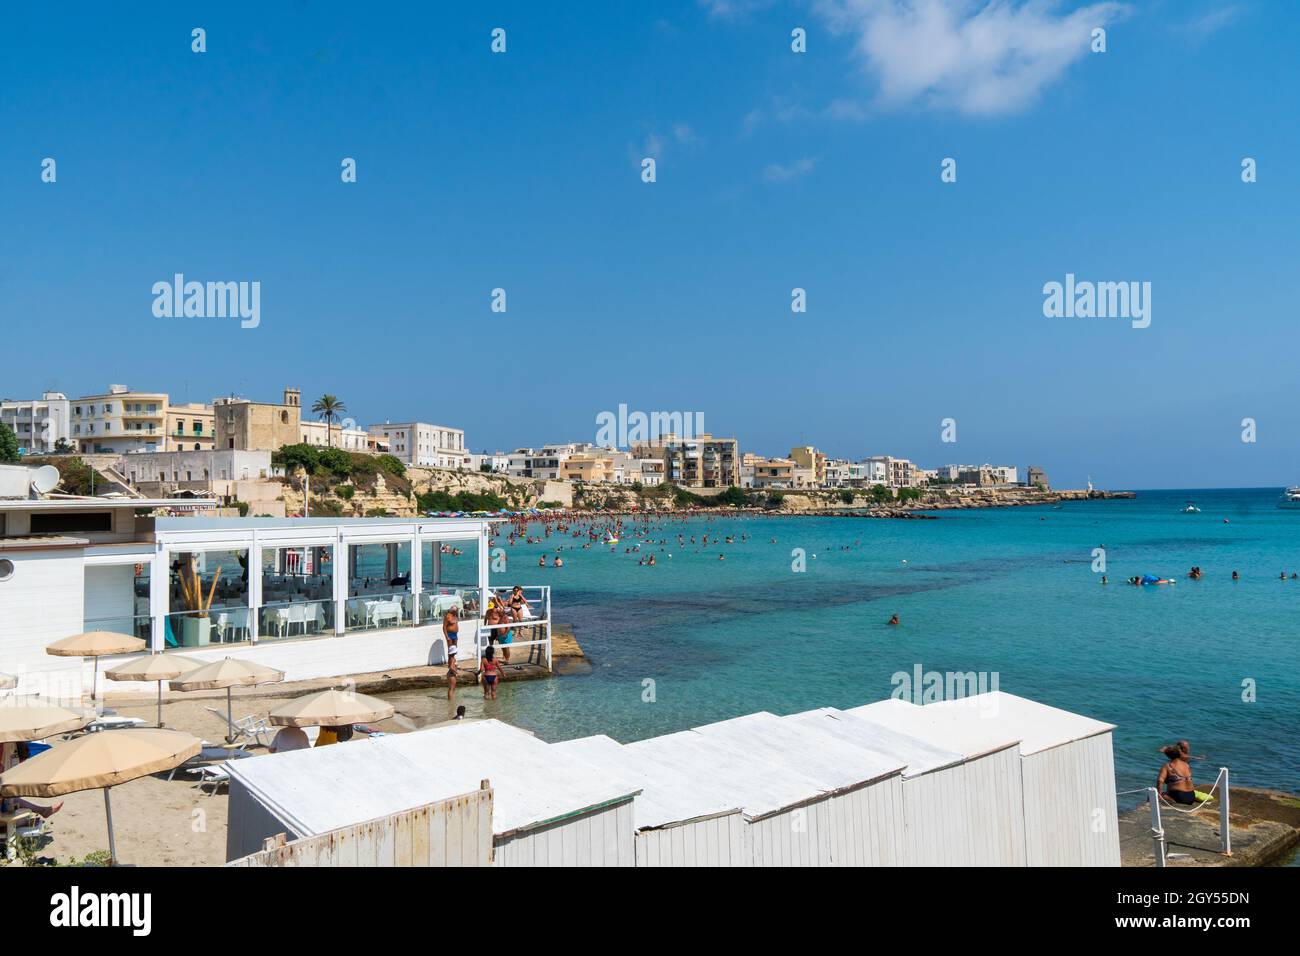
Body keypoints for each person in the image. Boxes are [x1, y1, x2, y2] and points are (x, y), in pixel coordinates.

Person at [0, 742, 63, 819]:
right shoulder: (13, 749)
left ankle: (41, 811)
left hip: (7, 792)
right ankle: (42, 811)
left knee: (10, 799)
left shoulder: (13, 749)